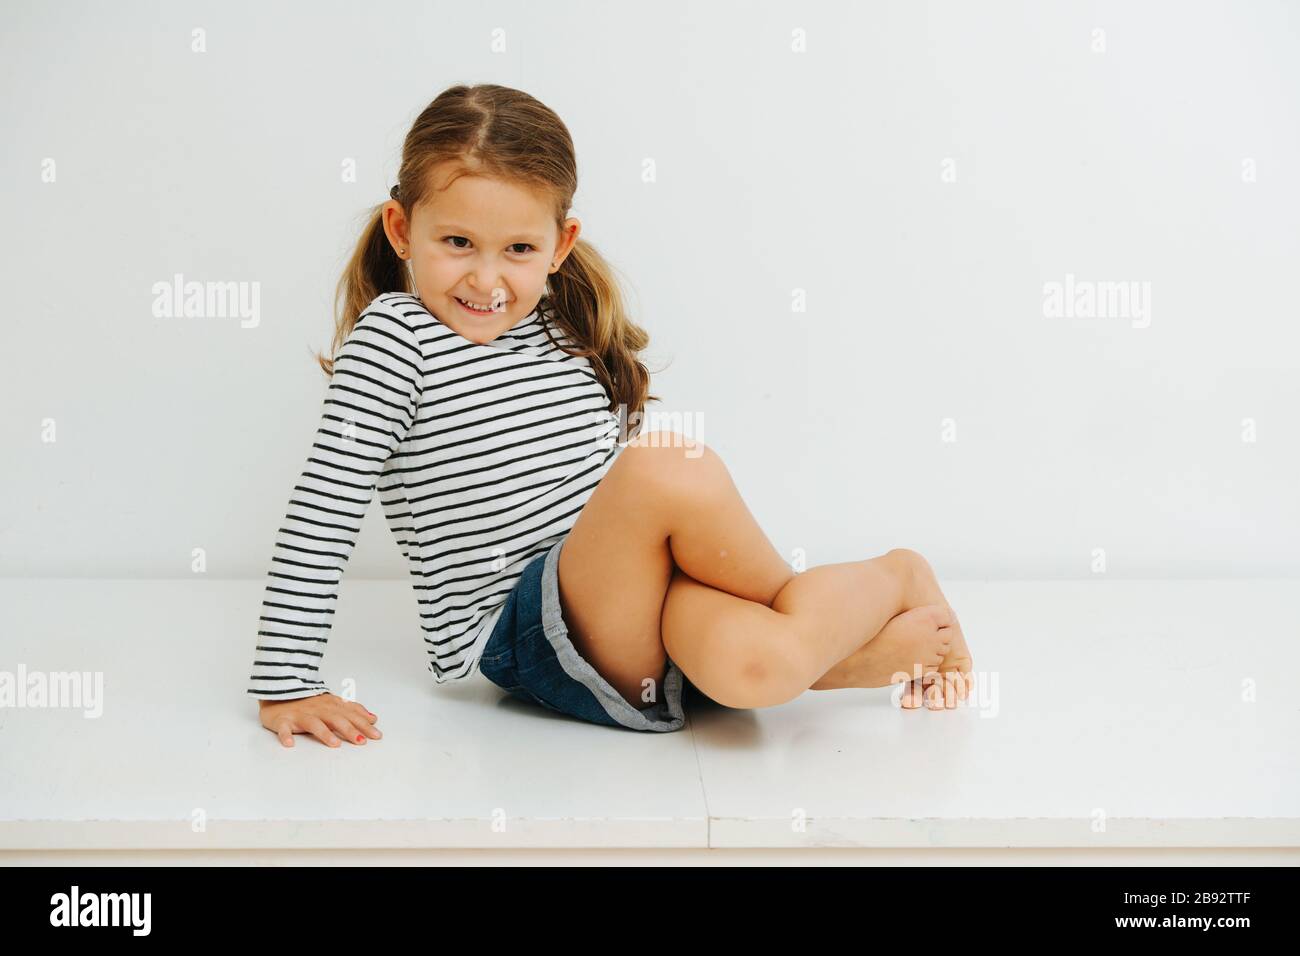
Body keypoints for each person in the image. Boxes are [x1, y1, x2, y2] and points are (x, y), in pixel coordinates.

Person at [248, 84, 974, 748]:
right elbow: (324, 508)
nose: (486, 277)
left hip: (635, 600)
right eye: (457, 242)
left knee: (755, 666)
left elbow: (611, 501)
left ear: (559, 246)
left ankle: (892, 578)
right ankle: (836, 636)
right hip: (525, 629)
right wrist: (286, 684)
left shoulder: (562, 332)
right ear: (403, 230)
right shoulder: (395, 338)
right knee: (670, 470)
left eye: (519, 250)